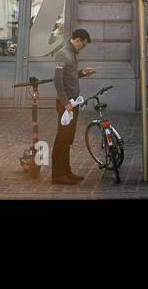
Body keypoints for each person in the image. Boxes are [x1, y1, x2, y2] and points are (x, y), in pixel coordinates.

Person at [51, 28, 95, 185]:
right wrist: (66, 103)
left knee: (68, 138)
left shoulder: (72, 53)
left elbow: (70, 75)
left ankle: (66, 171)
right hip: (66, 104)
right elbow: (58, 81)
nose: (82, 47)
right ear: (77, 40)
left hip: (72, 103)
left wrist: (82, 73)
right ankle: (57, 175)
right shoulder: (63, 53)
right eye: (82, 44)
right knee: (62, 138)